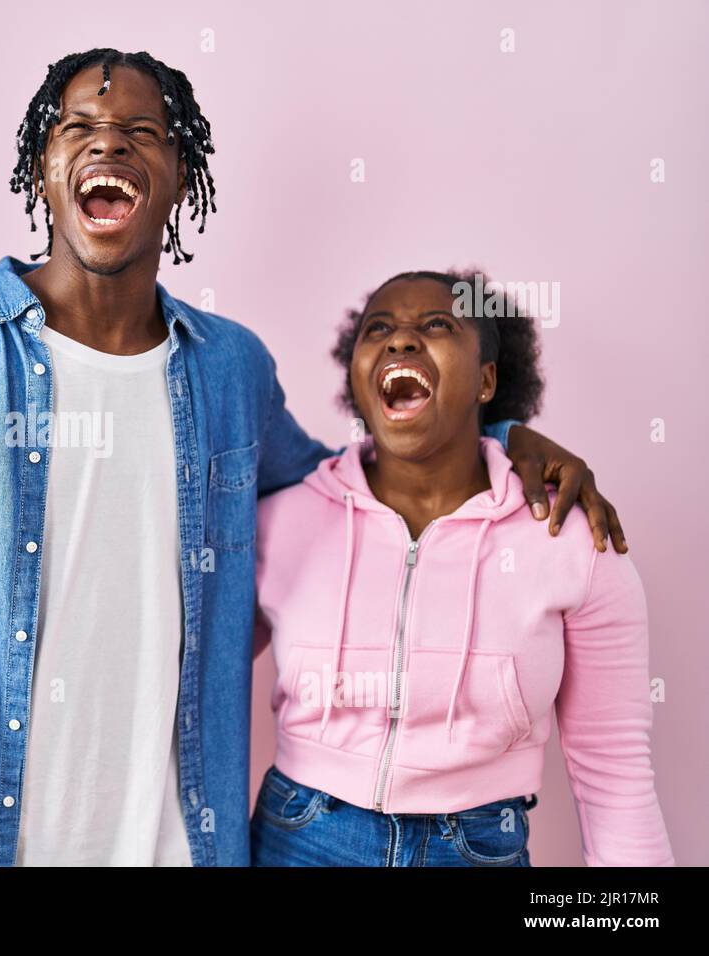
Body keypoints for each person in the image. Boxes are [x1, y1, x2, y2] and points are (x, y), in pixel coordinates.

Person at [0, 49, 621, 867]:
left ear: (181, 176)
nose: (108, 145)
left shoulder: (230, 368)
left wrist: (501, 434)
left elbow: (351, 483)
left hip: (189, 845)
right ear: (44, 167)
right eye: (79, 128)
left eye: (142, 132)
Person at [251, 271, 674, 866]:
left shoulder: (572, 536)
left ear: (486, 379)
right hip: (301, 835)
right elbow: (182, 685)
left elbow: (615, 770)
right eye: (380, 329)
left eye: (436, 326)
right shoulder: (280, 520)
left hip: (476, 846)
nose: (400, 340)